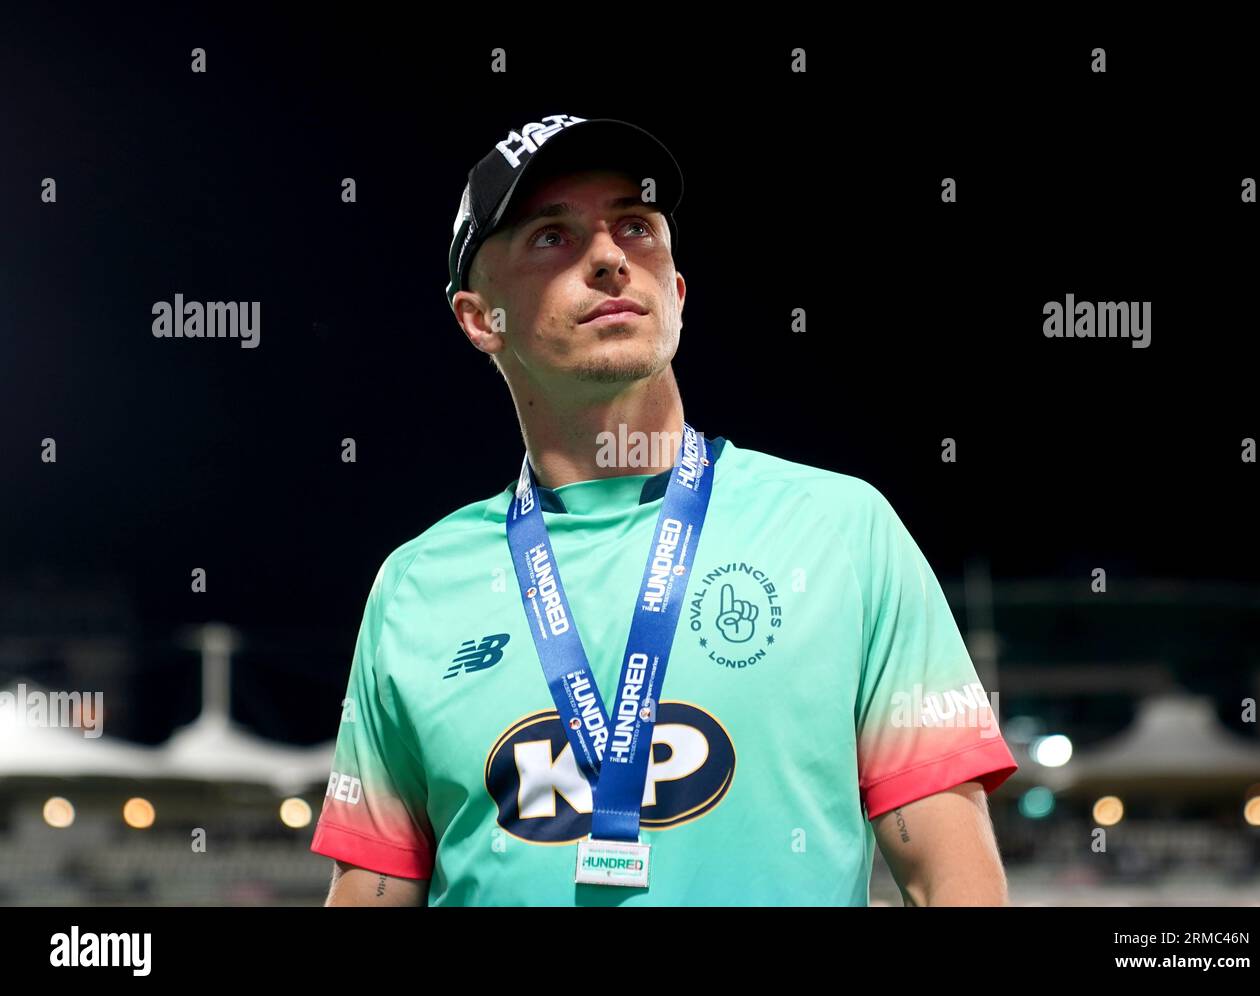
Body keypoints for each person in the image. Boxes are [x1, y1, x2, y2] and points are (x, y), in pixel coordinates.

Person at [310, 113, 1019, 906]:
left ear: (676, 294)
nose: (610, 258)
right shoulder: (415, 586)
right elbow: (372, 890)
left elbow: (951, 880)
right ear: (480, 319)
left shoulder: (842, 531)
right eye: (552, 236)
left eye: (637, 228)